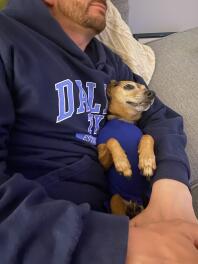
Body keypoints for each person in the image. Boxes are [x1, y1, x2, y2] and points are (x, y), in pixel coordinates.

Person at [0, 0, 197, 263]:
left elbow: (161, 117)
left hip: (135, 206)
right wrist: (118, 245)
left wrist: (172, 188)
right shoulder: (7, 38)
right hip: (59, 237)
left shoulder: (108, 61)